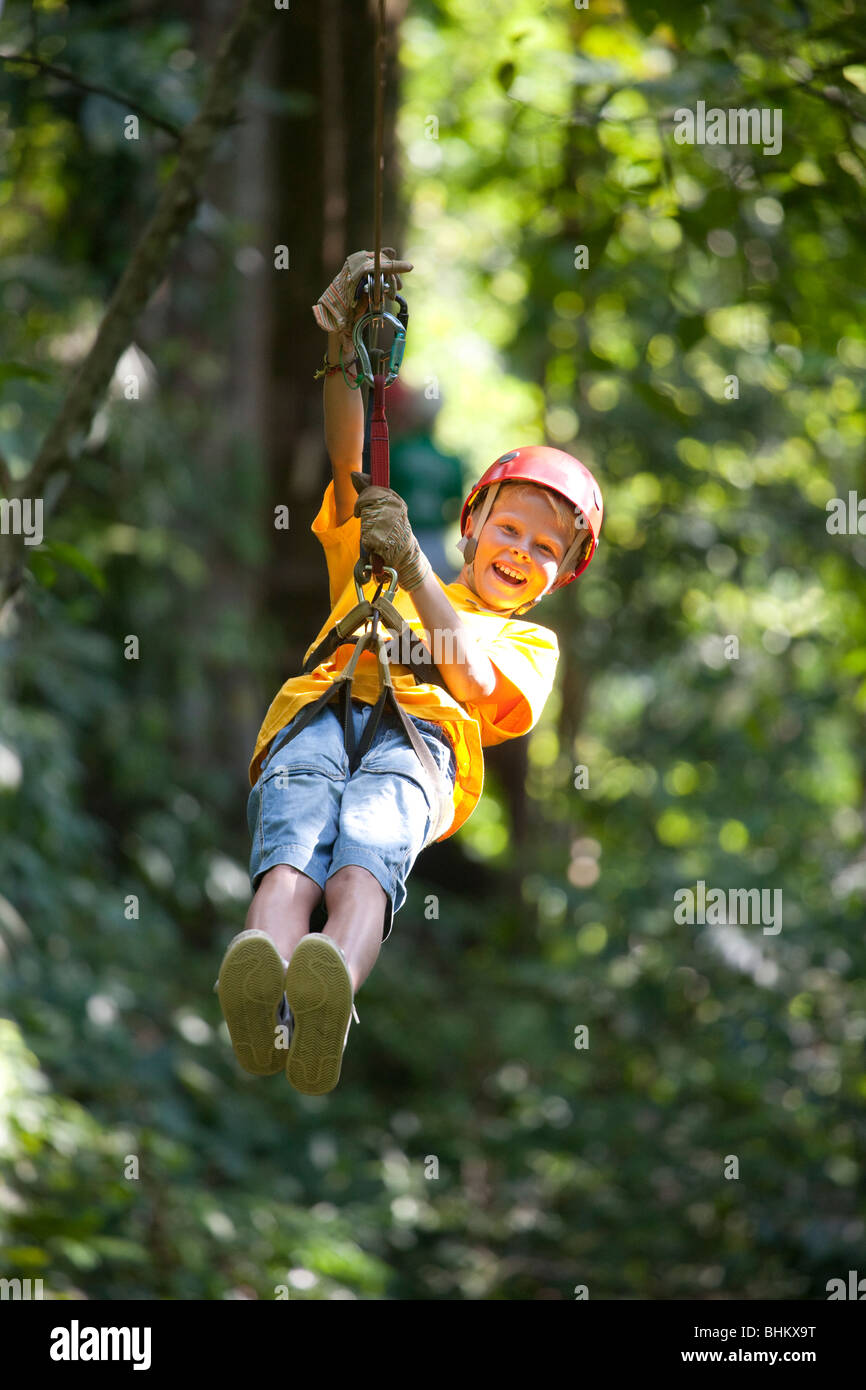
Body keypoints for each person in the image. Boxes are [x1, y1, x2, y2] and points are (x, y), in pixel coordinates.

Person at [215, 250, 604, 1097]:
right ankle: (261, 976)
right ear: (474, 527)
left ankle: (324, 998)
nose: (521, 556)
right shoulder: (382, 553)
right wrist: (345, 351)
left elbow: (473, 681)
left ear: (560, 577)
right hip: (318, 714)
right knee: (289, 864)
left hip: (416, 749)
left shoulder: (528, 644)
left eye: (546, 552)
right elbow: (353, 457)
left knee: (361, 870)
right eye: (511, 532)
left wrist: (416, 571)